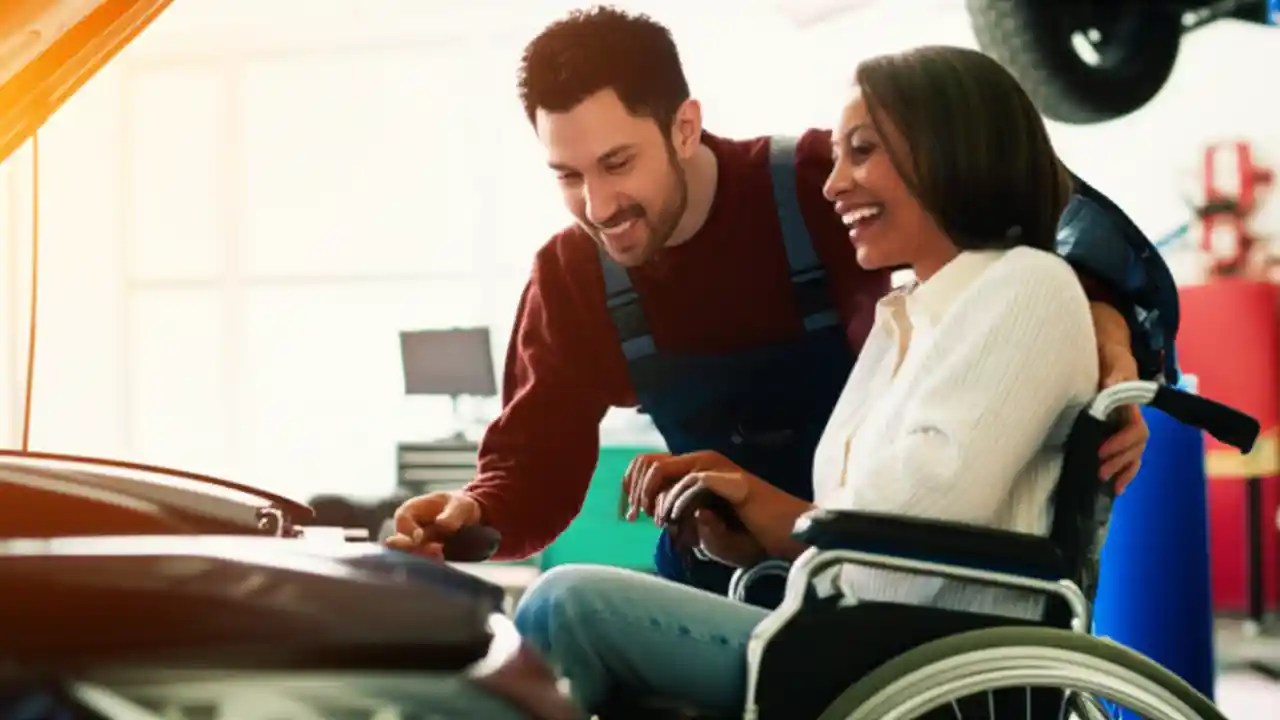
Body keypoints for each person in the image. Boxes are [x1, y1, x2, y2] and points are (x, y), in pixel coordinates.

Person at [385, 6, 1152, 603]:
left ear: (684, 127)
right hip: (714, 577)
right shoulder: (571, 277)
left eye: (617, 163)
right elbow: (531, 467)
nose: (598, 204)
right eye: (568, 175)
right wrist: (470, 515)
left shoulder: (823, 186)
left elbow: (1035, 203)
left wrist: (1105, 324)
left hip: (867, 586)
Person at [512, 43, 1101, 718]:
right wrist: (757, 536)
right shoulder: (905, 320)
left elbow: (911, 525)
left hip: (922, 665)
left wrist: (770, 508)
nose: (832, 184)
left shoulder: (1025, 285)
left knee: (564, 606)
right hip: (851, 636)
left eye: (862, 152)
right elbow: (876, 532)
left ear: (951, 149)